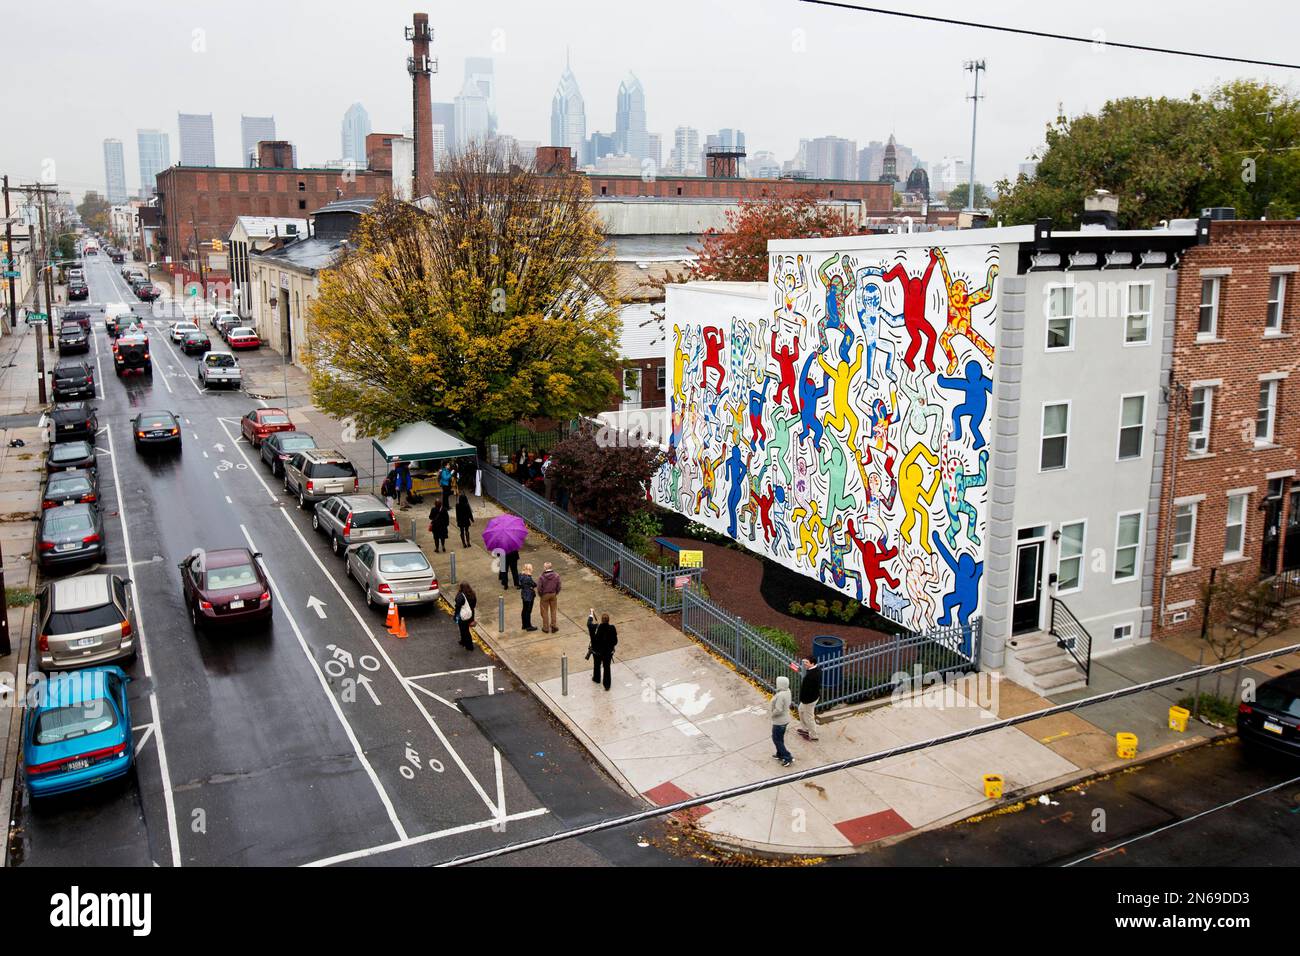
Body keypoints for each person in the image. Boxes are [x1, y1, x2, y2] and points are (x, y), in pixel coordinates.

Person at [587, 609, 618, 691]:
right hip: (607, 653)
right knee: (607, 667)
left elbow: (588, 624)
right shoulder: (612, 628)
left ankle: (597, 678)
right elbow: (615, 641)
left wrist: (591, 614)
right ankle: (607, 685)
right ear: (608, 620)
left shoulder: (595, 628)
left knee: (596, 665)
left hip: (597, 652)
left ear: (601, 620)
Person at [796, 657, 821, 741]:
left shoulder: (811, 675)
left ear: (812, 663)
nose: (804, 664)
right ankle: (805, 729)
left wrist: (804, 700)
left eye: (807, 662)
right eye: (804, 662)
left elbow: (808, 690)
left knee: (809, 718)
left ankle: (814, 736)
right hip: (811, 698)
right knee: (800, 710)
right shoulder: (816, 670)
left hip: (809, 700)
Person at [770, 675, 794, 766]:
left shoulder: (780, 695)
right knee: (779, 738)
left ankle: (787, 757)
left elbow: (778, 709)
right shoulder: (787, 691)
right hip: (785, 719)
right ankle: (779, 753)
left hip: (779, 721)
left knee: (776, 739)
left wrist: (772, 714)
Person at [536, 562, 562, 633]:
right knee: (553, 610)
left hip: (544, 595)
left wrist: (541, 595)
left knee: (544, 611)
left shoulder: (542, 577)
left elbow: (539, 588)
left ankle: (546, 627)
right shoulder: (556, 575)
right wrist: (556, 592)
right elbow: (559, 586)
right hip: (553, 594)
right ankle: (553, 625)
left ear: (545, 568)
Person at [453, 583, 477, 650]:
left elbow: (458, 606)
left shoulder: (461, 595)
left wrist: (455, 615)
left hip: (463, 615)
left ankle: (469, 646)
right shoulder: (473, 594)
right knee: (466, 629)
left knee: (464, 630)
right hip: (470, 614)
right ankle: (463, 641)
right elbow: (474, 605)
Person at [518, 563, 538, 631]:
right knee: (528, 611)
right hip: (529, 596)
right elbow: (534, 584)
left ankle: (524, 625)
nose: (533, 569)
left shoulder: (521, 575)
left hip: (524, 594)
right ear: (529, 569)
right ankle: (528, 626)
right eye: (531, 568)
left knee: (524, 610)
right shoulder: (528, 578)